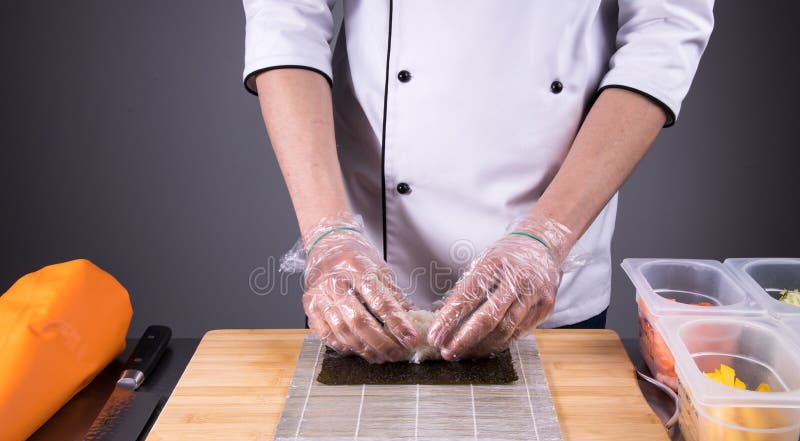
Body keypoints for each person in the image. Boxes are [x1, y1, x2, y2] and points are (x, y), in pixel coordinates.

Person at [242, 2, 714, 363]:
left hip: (553, 249)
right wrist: (329, 233)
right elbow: (287, 22)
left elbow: (665, 32)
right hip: (366, 267)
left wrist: (544, 240)